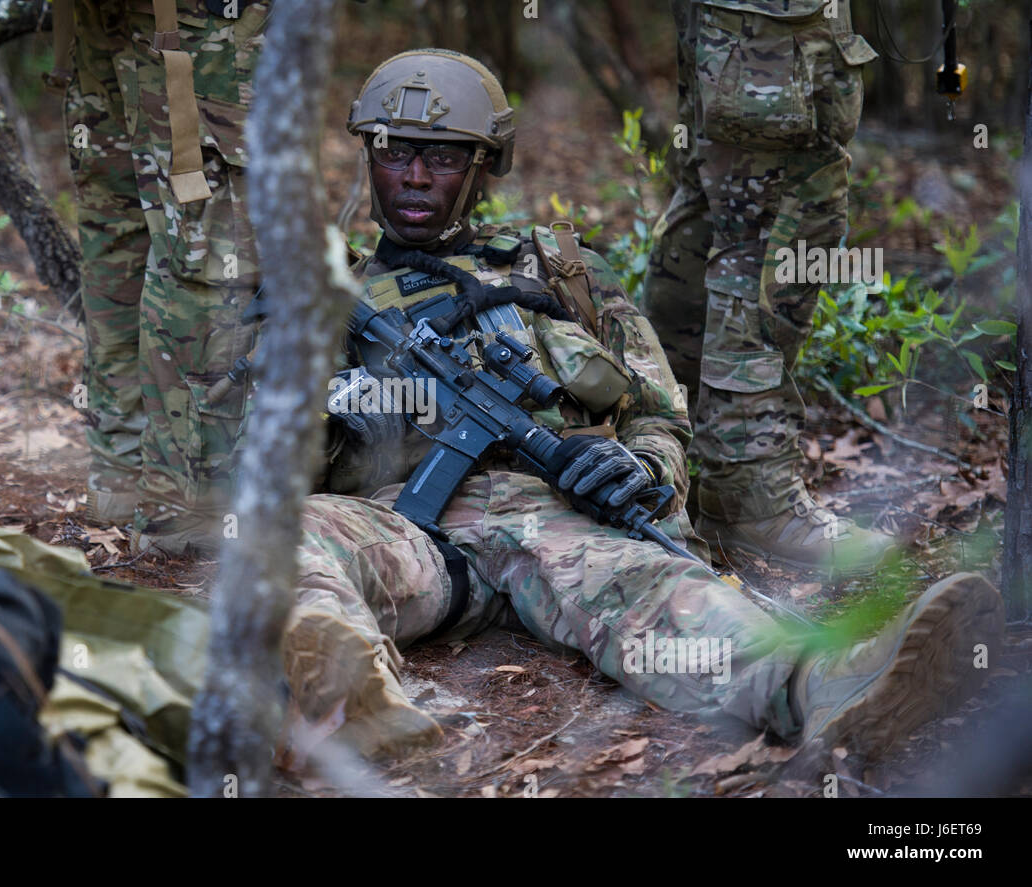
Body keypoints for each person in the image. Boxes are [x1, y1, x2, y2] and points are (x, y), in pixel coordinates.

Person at [276, 49, 1003, 763]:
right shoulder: (328, 296)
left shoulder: (559, 271)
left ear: (482, 166)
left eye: (440, 157)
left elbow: (659, 412)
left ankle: (817, 687)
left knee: (662, 591)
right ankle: (352, 695)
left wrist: (638, 467)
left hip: (557, 519)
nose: (412, 175)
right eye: (394, 150)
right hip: (404, 527)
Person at [643, 0, 890, 572]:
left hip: (740, 17)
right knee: (779, 225)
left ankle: (659, 450)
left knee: (718, 203)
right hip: (776, 17)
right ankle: (748, 501)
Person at [51, 0, 269, 556]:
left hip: (150, 23)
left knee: (139, 232)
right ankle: (179, 506)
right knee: (187, 247)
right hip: (168, 21)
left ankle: (134, 481)